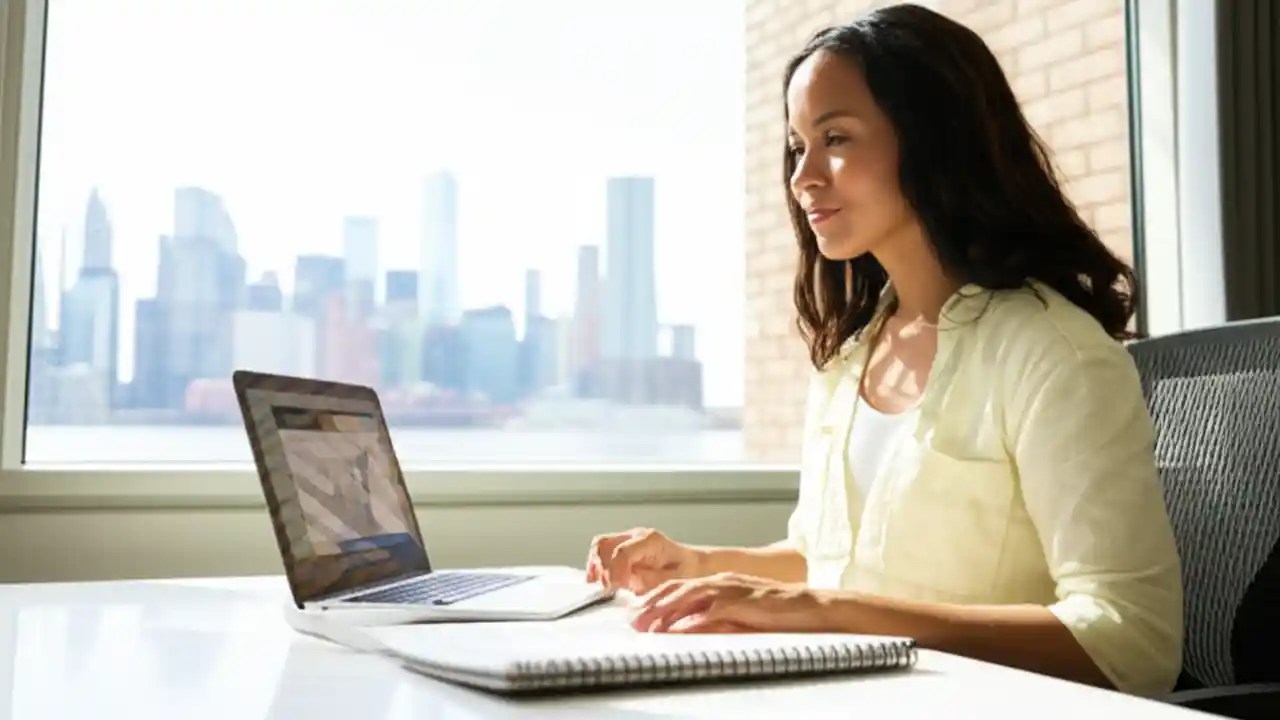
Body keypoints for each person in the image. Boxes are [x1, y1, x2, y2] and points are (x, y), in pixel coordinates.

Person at [584, 3, 1183, 697]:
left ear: (932, 140)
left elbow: (1130, 641)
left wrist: (827, 615)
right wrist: (696, 565)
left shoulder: (1054, 355)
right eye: (796, 146)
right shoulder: (852, 357)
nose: (803, 176)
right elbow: (829, 560)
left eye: (834, 137)